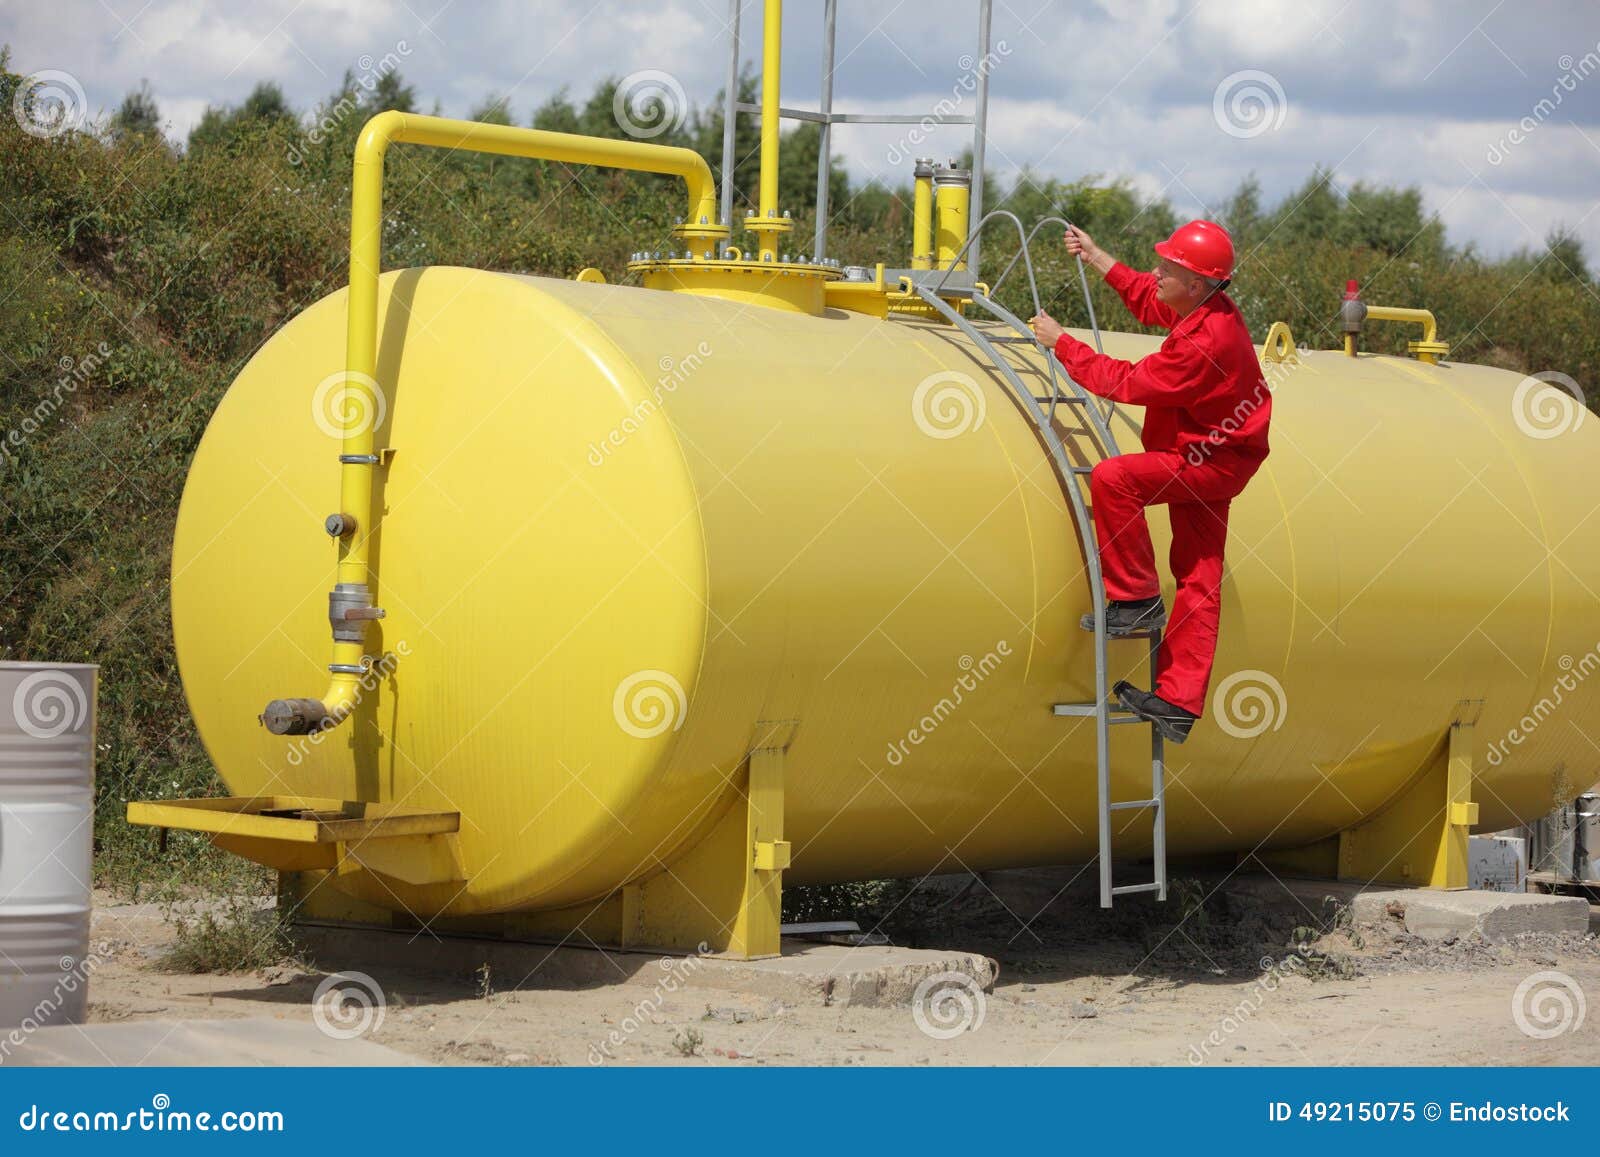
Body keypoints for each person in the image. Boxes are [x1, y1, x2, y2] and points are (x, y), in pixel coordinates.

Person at [1028, 220, 1270, 744]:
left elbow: (1127, 383)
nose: (1157, 271)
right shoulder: (1203, 307)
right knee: (1200, 574)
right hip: (1218, 451)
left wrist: (1061, 344)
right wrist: (1095, 256)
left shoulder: (1206, 341)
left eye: (1170, 267)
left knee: (1115, 479)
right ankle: (1178, 703)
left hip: (1209, 457)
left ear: (1198, 284)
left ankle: (1135, 597)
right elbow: (1146, 298)